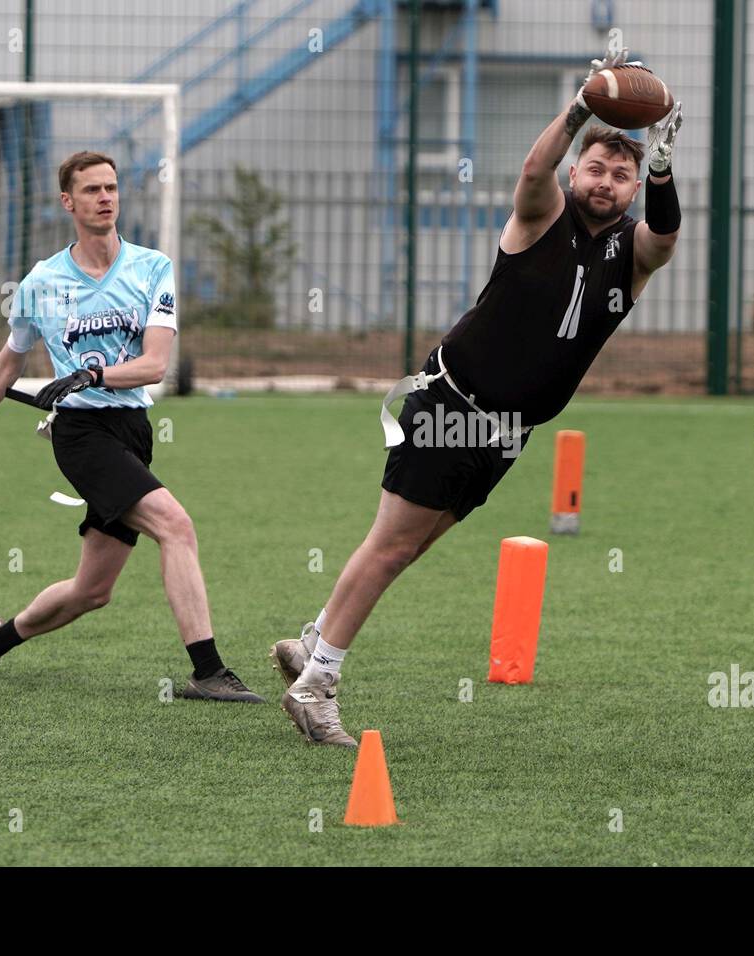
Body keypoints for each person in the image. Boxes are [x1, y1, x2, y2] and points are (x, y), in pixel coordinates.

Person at [270, 40, 684, 746]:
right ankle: (318, 685)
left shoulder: (632, 254)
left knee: (411, 544)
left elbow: (667, 236)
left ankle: (313, 641)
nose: (606, 181)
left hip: (506, 433)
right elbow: (533, 168)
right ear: (575, 170)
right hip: (450, 405)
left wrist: (666, 164)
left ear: (634, 187)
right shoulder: (539, 217)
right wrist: (582, 104)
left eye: (622, 173)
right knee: (392, 546)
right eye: (595, 166)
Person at [0, 151, 263, 703]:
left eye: (112, 188)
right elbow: (8, 363)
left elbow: (154, 366)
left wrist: (91, 372)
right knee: (175, 525)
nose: (106, 197)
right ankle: (208, 672)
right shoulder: (42, 282)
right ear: (68, 202)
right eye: (93, 190)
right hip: (81, 437)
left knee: (91, 590)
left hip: (134, 431)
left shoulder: (152, 268)